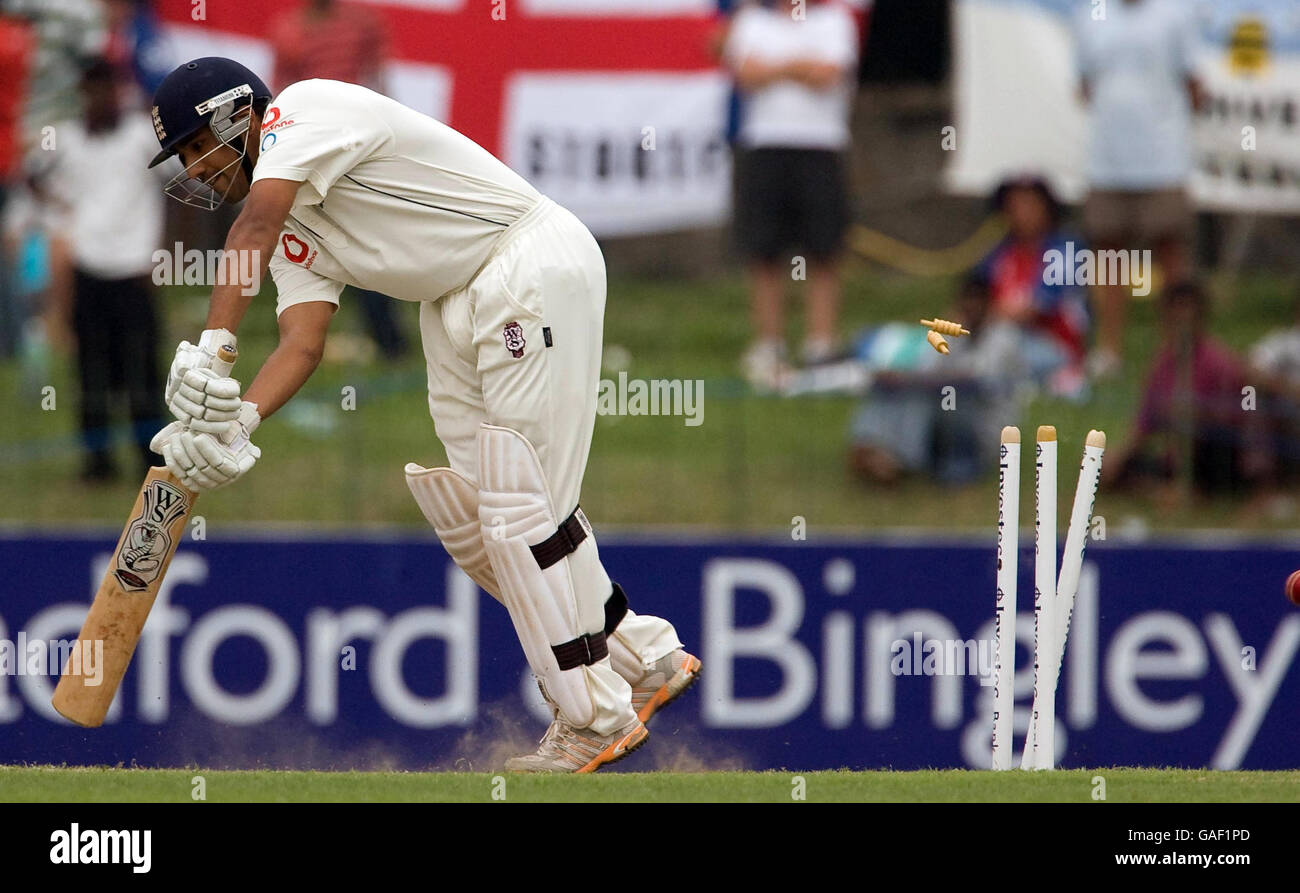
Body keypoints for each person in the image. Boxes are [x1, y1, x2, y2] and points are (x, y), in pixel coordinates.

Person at [143, 57, 698, 773]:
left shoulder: (302, 112)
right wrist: (238, 421)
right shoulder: (288, 231)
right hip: (454, 298)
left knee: (519, 508)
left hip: (524, 261)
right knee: (475, 519)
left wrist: (211, 352)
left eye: (195, 145)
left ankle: (593, 715)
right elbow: (302, 342)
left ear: (235, 115)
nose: (196, 167)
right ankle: (641, 652)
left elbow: (253, 224)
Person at [724, 0, 859, 389]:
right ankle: (770, 346)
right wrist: (799, 65)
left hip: (821, 146)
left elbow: (828, 74)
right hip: (764, 146)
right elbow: (747, 74)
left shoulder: (835, 20)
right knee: (763, 251)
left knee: (824, 249)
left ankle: (821, 344)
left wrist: (776, 66)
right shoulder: (751, 20)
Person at [44, 57, 165, 481]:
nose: (100, 99)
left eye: (107, 89)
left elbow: (183, 173)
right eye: (91, 90)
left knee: (143, 374)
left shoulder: (141, 137)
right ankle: (97, 464)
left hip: (133, 274)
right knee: (92, 376)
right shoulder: (68, 142)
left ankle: (151, 459)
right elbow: (57, 206)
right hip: (89, 271)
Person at [268, 0, 407, 360]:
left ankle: (388, 338)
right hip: (312, 147)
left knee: (366, 238)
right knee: (306, 238)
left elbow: (379, 78)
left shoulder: (360, 20)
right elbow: (281, 92)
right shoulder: (289, 29)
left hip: (357, 144)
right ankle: (298, 336)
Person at [1076, 0, 1204, 377]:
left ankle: (1177, 353)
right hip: (1107, 164)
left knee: (1171, 257)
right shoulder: (1091, 16)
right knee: (1110, 260)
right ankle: (1109, 352)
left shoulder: (1176, 13)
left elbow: (1193, 82)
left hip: (1163, 163)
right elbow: (1084, 85)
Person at [849, 272, 1024, 485]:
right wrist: (897, 379)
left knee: (923, 397)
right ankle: (872, 445)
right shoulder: (955, 332)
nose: (971, 305)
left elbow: (972, 383)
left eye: (977, 299)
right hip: (951, 414)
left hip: (984, 427)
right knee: (889, 391)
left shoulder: (1005, 338)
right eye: (966, 299)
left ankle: (900, 459)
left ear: (989, 303)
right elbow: (927, 368)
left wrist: (910, 380)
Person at [1103, 281, 1264, 498]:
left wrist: (1200, 413)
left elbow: (1244, 413)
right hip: (1176, 455)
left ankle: (1190, 491)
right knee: (1107, 464)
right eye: (1175, 312)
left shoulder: (1219, 362)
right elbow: (1145, 422)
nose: (1182, 320)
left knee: (1212, 446)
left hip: (1216, 451)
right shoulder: (1162, 364)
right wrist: (1119, 457)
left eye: (1188, 312)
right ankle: (1164, 490)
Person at [976, 175, 1089, 399]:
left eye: (1029, 204)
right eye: (1014, 205)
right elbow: (972, 299)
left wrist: (984, 317)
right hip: (1002, 340)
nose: (1021, 212)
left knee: (997, 344)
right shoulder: (1000, 252)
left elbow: (1033, 308)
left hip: (1054, 348)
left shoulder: (1065, 248)